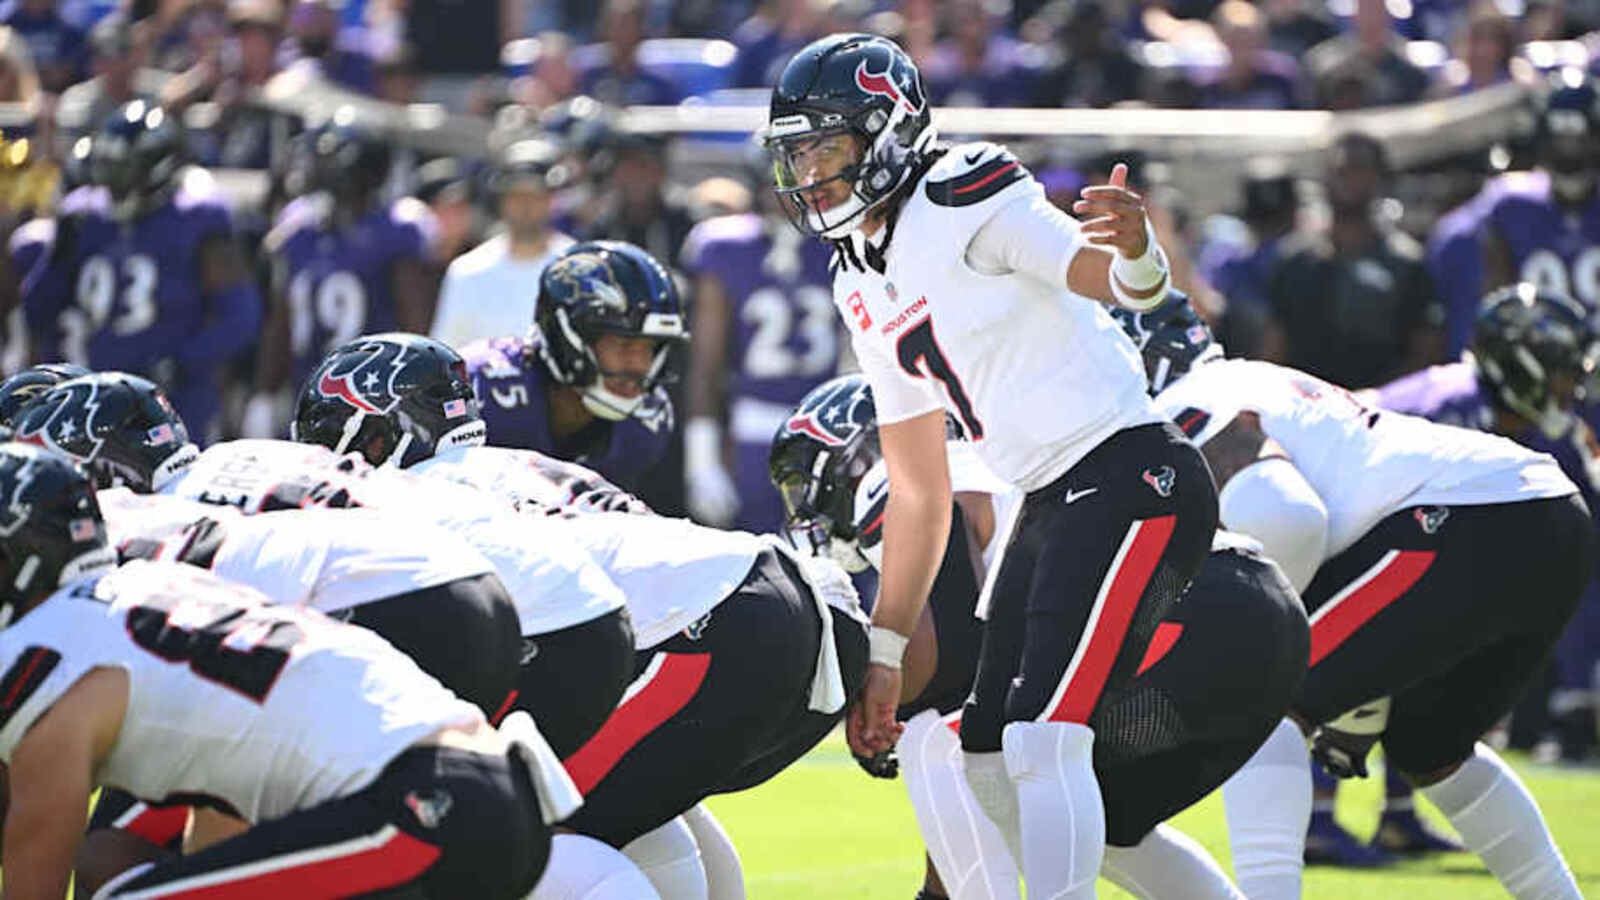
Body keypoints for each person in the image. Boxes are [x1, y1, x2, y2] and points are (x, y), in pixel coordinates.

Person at [766, 33, 1216, 898]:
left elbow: (1100, 275)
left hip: (1129, 471)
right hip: (1048, 498)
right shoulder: (858, 272)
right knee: (985, 760)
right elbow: (920, 487)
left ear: (888, 131)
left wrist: (1139, 256)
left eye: (828, 145)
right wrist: (888, 650)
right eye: (800, 152)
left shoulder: (964, 192)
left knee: (1046, 742)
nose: (811, 171)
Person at [287, 332, 869, 900]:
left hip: (711, 627)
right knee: (630, 825)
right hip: (782, 605)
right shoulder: (507, 467)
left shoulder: (406, 499)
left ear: (374, 437)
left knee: (523, 832)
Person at [1114, 294, 1592, 900]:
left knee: (1269, 696)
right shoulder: (1250, 377)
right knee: (1433, 748)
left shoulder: (1188, 404)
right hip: (1547, 513)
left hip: (1471, 519)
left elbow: (1287, 516)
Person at [770, 373, 1310, 900]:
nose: (802, 508)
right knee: (1082, 825)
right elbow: (977, 737)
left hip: (1193, 614)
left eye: (801, 485)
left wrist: (873, 694)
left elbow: (947, 660)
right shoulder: (989, 467)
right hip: (1260, 625)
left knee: (939, 743)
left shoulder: (917, 481)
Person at [0, 443, 568, 900]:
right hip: (490, 794)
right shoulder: (158, 593)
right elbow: (224, 813)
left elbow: (36, 861)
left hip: (420, 808)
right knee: (125, 867)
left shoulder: (46, 648)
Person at [1369, 283, 1600, 764]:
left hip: (1411, 536)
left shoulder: (1518, 417)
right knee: (1366, 675)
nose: (1570, 390)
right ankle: (1323, 817)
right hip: (1359, 523)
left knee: (1426, 672)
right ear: (1522, 364)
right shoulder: (1449, 409)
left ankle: (1397, 811)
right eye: (1560, 375)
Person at [18, 101, 261, 443]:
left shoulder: (197, 217)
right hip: (90, 398)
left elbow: (240, 317)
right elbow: (36, 311)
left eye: (125, 169)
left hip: (172, 400)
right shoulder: (83, 216)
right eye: (110, 168)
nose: (114, 183)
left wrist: (183, 361)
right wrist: (59, 254)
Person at [249, 115, 434, 437]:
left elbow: (416, 324)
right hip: (308, 393)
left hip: (377, 398)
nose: (316, 169)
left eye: (327, 160)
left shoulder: (395, 231)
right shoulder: (300, 231)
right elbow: (282, 320)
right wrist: (264, 393)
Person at [680, 158, 840, 530]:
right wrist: (702, 458)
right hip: (756, 431)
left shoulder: (838, 241)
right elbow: (706, 362)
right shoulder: (725, 244)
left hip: (826, 431)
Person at [459, 241, 686, 500]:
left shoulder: (646, 422)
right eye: (624, 344)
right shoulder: (481, 390)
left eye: (650, 348)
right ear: (566, 337)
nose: (639, 365)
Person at [1263, 131, 1443, 389]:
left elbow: (1424, 355)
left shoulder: (1407, 263)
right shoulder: (1293, 261)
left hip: (1380, 415)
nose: (1349, 180)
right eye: (1341, 169)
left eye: (1360, 168)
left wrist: (1373, 402)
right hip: (1306, 415)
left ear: (1380, 178)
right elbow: (1275, 349)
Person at [430, 137, 575, 351]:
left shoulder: (577, 267)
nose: (525, 207)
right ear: (502, 201)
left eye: (534, 196)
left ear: (550, 200)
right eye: (516, 196)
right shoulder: (467, 272)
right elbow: (447, 354)